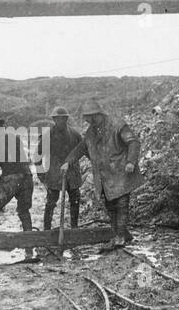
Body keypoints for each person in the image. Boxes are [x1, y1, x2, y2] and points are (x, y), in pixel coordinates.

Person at [60, 100, 141, 252]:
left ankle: (120, 237)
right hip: (105, 177)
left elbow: (133, 142)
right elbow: (81, 148)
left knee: (121, 205)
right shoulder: (91, 132)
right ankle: (119, 234)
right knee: (110, 206)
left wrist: (130, 162)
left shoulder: (117, 125)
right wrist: (68, 162)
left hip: (121, 172)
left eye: (88, 117)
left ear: (96, 115)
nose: (86, 120)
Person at [0, 115, 36, 262]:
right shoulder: (15, 137)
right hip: (27, 177)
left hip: (11, 178)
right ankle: (29, 245)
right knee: (24, 211)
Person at [39, 105, 83, 231]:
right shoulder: (48, 136)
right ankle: (46, 229)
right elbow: (37, 156)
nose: (61, 121)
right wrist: (42, 176)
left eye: (63, 118)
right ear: (54, 120)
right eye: (58, 119)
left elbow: (83, 149)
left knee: (75, 200)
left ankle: (74, 227)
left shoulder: (75, 134)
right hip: (54, 175)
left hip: (73, 174)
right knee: (51, 202)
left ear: (66, 119)